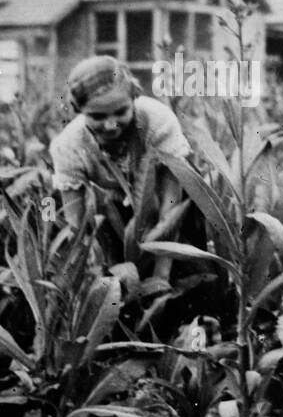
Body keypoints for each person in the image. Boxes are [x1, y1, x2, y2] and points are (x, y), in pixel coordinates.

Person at [50, 56, 191, 292]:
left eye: (120, 112)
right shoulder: (68, 146)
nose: (111, 125)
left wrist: (160, 277)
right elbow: (77, 225)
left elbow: (171, 210)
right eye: (97, 116)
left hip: (168, 206)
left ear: (134, 98)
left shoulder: (157, 121)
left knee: (183, 277)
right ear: (78, 110)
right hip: (115, 210)